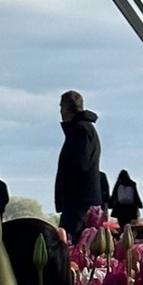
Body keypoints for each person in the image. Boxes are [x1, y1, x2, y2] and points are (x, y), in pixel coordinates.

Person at [54, 89, 102, 242]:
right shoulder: (83, 129)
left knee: (71, 244)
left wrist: (65, 188)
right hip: (80, 201)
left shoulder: (80, 130)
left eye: (61, 107)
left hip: (78, 203)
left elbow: (79, 164)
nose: (60, 112)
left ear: (67, 109)